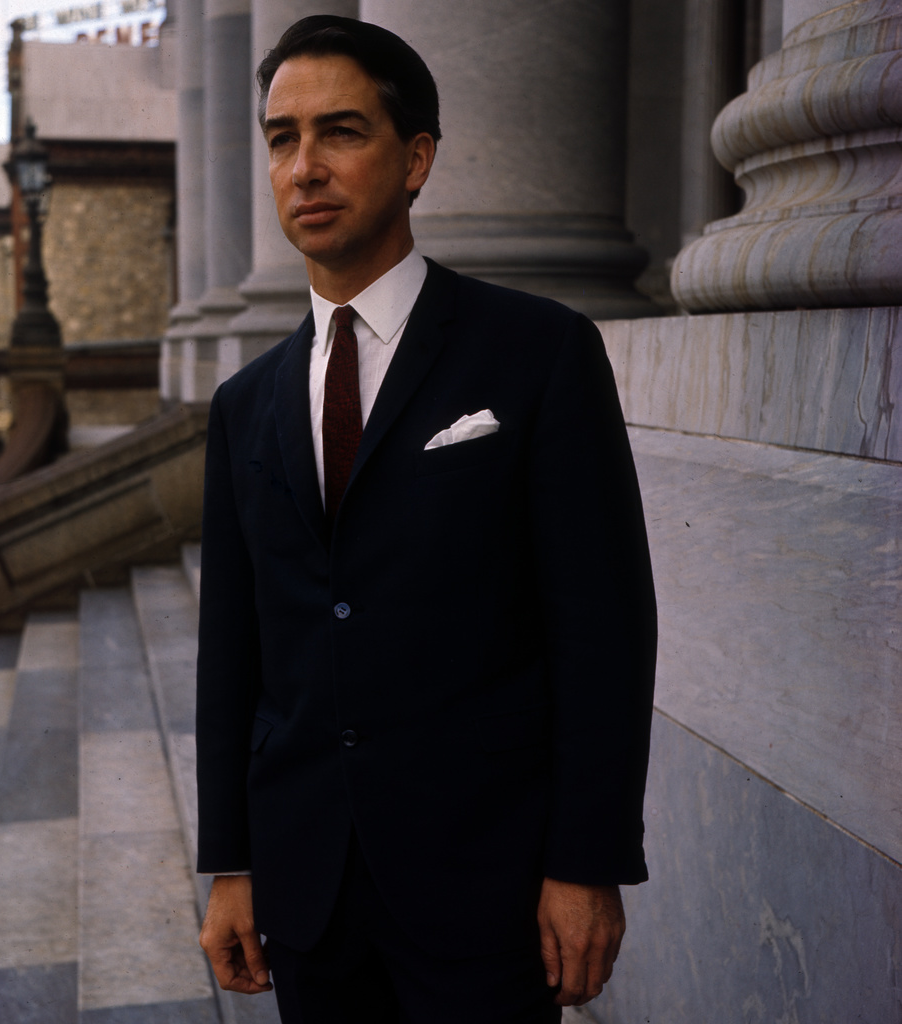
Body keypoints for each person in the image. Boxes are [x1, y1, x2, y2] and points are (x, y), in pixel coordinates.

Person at [196, 15, 657, 1023]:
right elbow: (232, 654)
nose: (304, 166)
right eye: (282, 138)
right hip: (307, 889)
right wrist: (228, 860)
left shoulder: (537, 353)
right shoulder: (243, 408)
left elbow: (600, 627)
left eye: (340, 132)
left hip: (484, 885)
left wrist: (585, 861)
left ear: (415, 160)